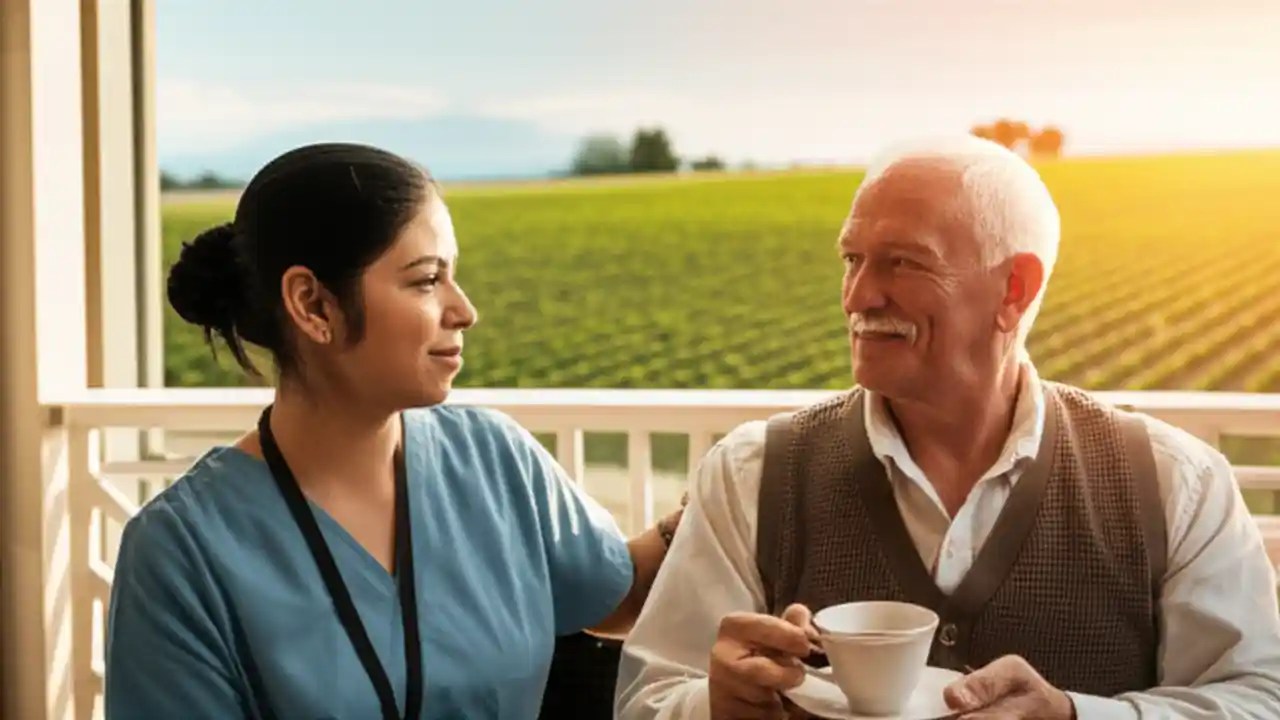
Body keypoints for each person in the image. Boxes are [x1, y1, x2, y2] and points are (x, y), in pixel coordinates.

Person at [614, 136, 1280, 719]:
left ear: (1014, 289)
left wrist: (1075, 716)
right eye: (852, 259)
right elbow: (648, 699)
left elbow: (1258, 698)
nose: (859, 297)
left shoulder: (1174, 483)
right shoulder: (751, 473)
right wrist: (713, 707)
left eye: (903, 262)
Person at [104, 142, 685, 720]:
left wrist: (742, 481)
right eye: (427, 280)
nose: (464, 310)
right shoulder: (180, 553)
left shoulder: (495, 459)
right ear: (314, 306)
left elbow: (617, 593)